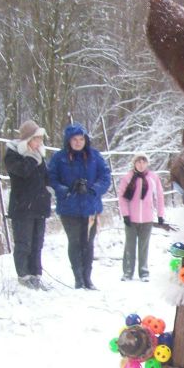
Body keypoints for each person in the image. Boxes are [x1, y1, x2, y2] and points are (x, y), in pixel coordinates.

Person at [47, 123, 111, 290]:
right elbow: (51, 178)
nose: (78, 142)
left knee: (88, 243)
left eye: (81, 139)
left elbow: (105, 177)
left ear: (86, 140)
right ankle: (78, 278)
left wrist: (93, 189)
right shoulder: (59, 158)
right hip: (69, 207)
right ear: (68, 141)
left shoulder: (94, 156)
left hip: (91, 207)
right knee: (75, 241)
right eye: (74, 139)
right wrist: (65, 189)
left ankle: (87, 278)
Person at [4, 120, 51, 290]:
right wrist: (31, 158)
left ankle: (36, 274)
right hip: (22, 206)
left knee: (37, 243)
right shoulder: (13, 155)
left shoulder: (39, 156)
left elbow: (45, 177)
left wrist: (49, 190)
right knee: (24, 243)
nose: (39, 142)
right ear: (28, 139)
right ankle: (23, 275)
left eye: (40, 139)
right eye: (36, 138)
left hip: (39, 206)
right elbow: (22, 172)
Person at [118, 153, 165, 281]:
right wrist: (125, 214)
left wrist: (160, 214)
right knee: (130, 245)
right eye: (138, 162)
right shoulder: (128, 178)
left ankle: (143, 272)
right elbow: (122, 198)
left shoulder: (153, 178)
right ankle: (128, 272)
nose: (141, 165)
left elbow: (159, 196)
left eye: (144, 162)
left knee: (144, 246)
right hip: (131, 218)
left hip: (147, 218)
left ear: (147, 163)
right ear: (134, 163)